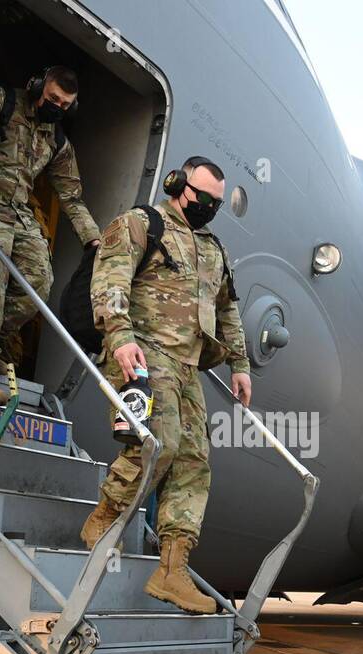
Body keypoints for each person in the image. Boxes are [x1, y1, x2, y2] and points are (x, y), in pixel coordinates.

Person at [79, 157, 251, 614]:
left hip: (188, 365)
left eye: (216, 203)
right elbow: (109, 279)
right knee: (162, 442)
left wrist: (239, 364)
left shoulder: (213, 249)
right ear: (177, 184)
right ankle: (104, 518)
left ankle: (172, 570)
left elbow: (228, 309)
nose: (207, 208)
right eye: (201, 198)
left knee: (194, 461)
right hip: (143, 351)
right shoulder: (141, 224)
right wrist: (118, 336)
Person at [0, 66, 102, 402]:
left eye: (64, 105)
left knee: (39, 281)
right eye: (52, 99)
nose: (56, 108)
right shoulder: (0, 99)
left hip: (19, 211)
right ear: (37, 85)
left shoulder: (58, 140)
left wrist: (92, 238)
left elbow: (71, 196)